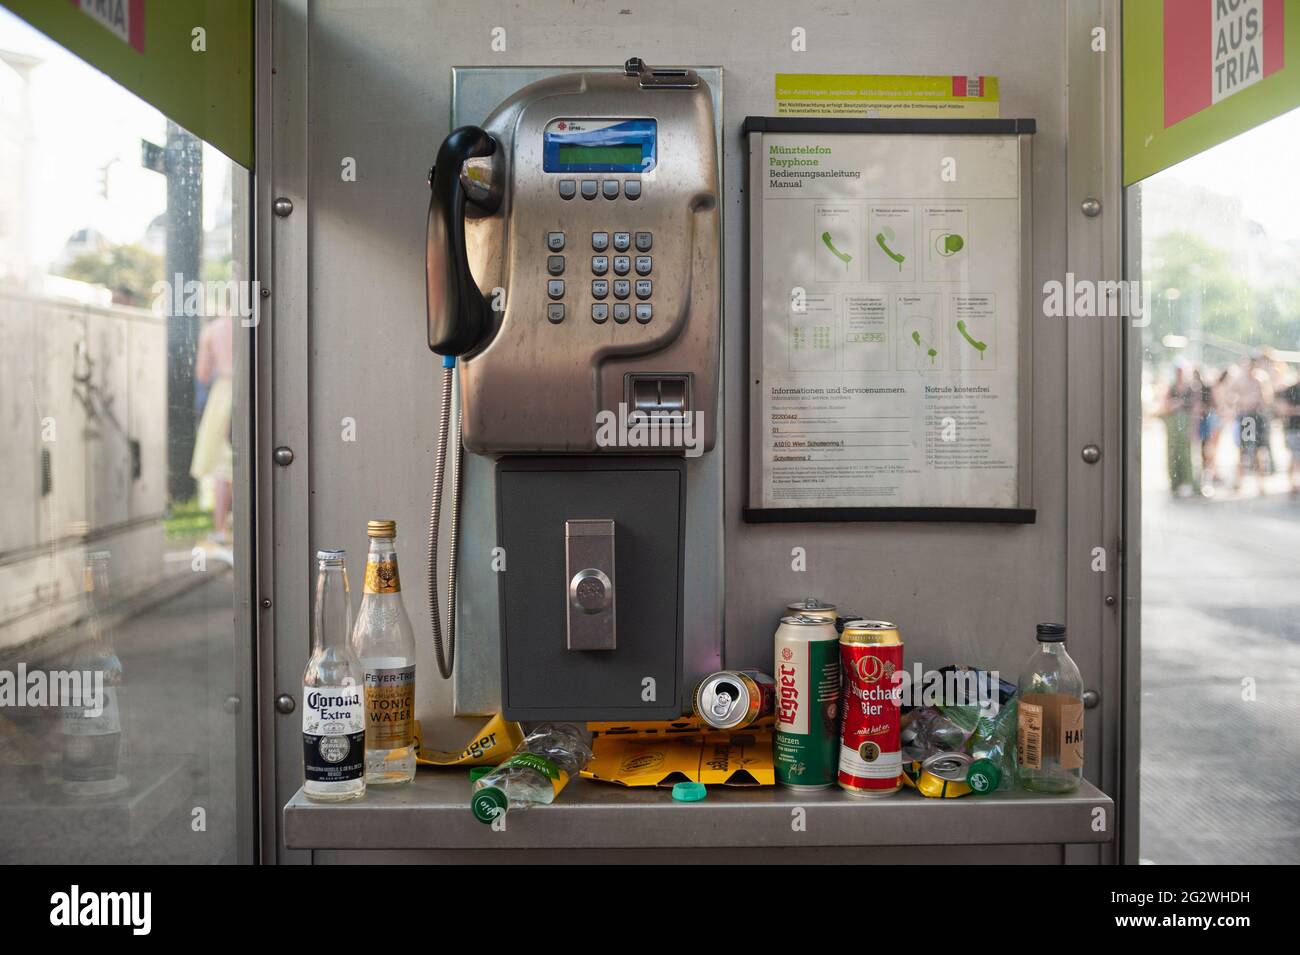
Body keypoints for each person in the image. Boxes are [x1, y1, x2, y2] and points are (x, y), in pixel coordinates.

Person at [190, 314, 235, 544]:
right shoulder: (251, 323)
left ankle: (221, 529)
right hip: (250, 388)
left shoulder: (212, 330)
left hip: (223, 392)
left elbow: (202, 373)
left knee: (222, 467)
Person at [1229, 356, 1274, 491]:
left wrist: (1254, 400)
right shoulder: (1240, 379)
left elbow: (1267, 398)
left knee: (1259, 450)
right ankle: (1239, 481)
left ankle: (1261, 483)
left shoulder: (1261, 379)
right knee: (1243, 450)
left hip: (1257, 417)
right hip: (1246, 418)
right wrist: (1241, 401)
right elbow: (1230, 396)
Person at [1159, 362, 1199, 495]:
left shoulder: (1190, 388)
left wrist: (1193, 427)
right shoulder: (1171, 387)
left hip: (1186, 424)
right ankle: (1174, 483)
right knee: (1173, 453)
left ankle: (1188, 481)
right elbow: (1164, 406)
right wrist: (1173, 405)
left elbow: (1195, 408)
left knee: (1186, 454)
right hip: (1173, 425)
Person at [1277, 373, 1300, 497]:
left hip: (1293, 427)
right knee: (1294, 456)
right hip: (1293, 428)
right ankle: (1292, 483)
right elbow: (1283, 409)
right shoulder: (1290, 390)